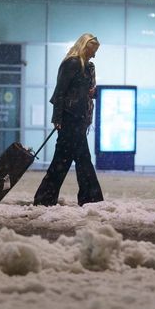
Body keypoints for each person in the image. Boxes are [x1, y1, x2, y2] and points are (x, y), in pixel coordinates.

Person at [33, 33, 104, 207]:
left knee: (65, 159)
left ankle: (46, 197)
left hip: (78, 118)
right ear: (84, 46)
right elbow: (60, 92)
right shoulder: (72, 63)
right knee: (78, 159)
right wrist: (57, 118)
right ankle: (90, 198)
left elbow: (80, 92)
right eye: (92, 50)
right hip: (69, 118)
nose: (94, 55)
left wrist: (91, 94)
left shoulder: (87, 66)